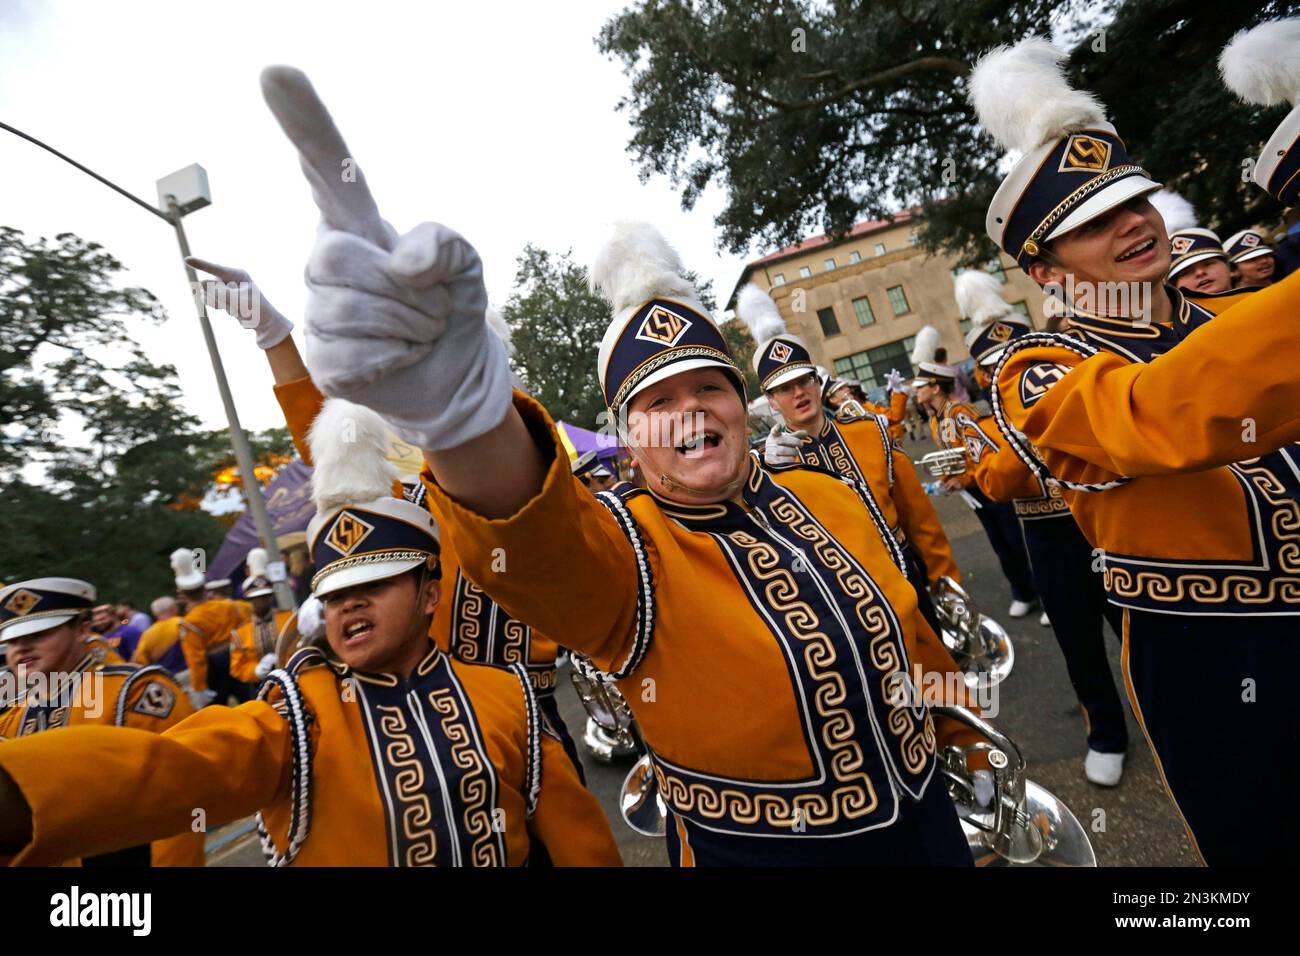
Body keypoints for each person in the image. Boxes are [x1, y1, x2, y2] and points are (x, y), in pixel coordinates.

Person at [243, 65, 1001, 864]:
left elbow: (914, 642)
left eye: (711, 386)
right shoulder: (626, 549)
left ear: (745, 407)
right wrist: (457, 417)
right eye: (659, 402)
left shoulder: (829, 497)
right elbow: (533, 536)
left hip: (929, 830)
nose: (693, 409)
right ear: (627, 436)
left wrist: (969, 744)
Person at [0, 401, 621, 867]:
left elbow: (581, 844)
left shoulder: (505, 696)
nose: (348, 606)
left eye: (372, 587)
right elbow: (176, 768)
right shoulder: (296, 713)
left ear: (429, 593)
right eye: (334, 594)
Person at [970, 32, 1300, 864]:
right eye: (1092, 222)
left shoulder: (1232, 321)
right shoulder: (1037, 372)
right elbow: (1156, 413)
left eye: (1134, 202)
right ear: (1044, 272)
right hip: (1216, 652)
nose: (1131, 226)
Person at [185, 256, 586, 776]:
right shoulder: (397, 479)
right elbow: (323, 435)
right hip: (429, 702)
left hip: (526, 702)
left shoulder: (512, 436)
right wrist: (272, 334)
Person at [954, 270, 1128, 786]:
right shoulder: (977, 423)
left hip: (1101, 523)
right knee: (1079, 642)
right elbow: (1002, 481)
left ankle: (1172, 716)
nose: (1001, 373)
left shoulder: (1055, 391)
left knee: (1139, 630)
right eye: (992, 367)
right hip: (1047, 536)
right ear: (984, 376)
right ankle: (1106, 733)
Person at [740, 283, 963, 638]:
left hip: (904, 574)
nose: (798, 393)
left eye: (804, 380)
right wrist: (762, 480)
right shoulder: (765, 466)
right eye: (784, 388)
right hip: (842, 598)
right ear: (772, 400)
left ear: (817, 382)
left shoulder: (871, 431)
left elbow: (919, 518)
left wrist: (947, 582)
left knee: (937, 678)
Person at [0, 578, 204, 866]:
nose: (22, 648)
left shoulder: (132, 690)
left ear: (82, 630)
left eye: (39, 634)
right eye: (12, 641)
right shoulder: (12, 715)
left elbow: (182, 796)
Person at [909, 356, 1040, 621]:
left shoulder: (961, 412)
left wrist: (965, 478)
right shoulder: (936, 420)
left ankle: (1045, 595)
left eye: (920, 385)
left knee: (1015, 543)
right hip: (973, 493)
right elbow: (950, 457)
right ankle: (1023, 592)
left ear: (936, 387)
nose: (916, 391)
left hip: (988, 486)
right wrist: (947, 479)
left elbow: (980, 453)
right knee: (1000, 545)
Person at [172, 550, 252, 707]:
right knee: (252, 700)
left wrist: (199, 688)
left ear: (183, 593)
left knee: (219, 712)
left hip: (215, 668)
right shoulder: (230, 606)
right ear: (204, 588)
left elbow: (196, 659)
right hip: (239, 655)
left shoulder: (189, 623)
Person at [228, 549, 293, 686]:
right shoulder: (240, 633)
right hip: (260, 685)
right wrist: (255, 671)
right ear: (249, 600)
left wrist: (285, 661)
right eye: (256, 599)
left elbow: (299, 647)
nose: (261, 602)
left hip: (293, 677)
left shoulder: (288, 619)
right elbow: (237, 668)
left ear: (271, 597)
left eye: (265, 597)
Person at [131, 596, 188, 676]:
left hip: (167, 679)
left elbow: (142, 661)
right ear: (173, 608)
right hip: (189, 671)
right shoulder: (182, 622)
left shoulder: (146, 634)